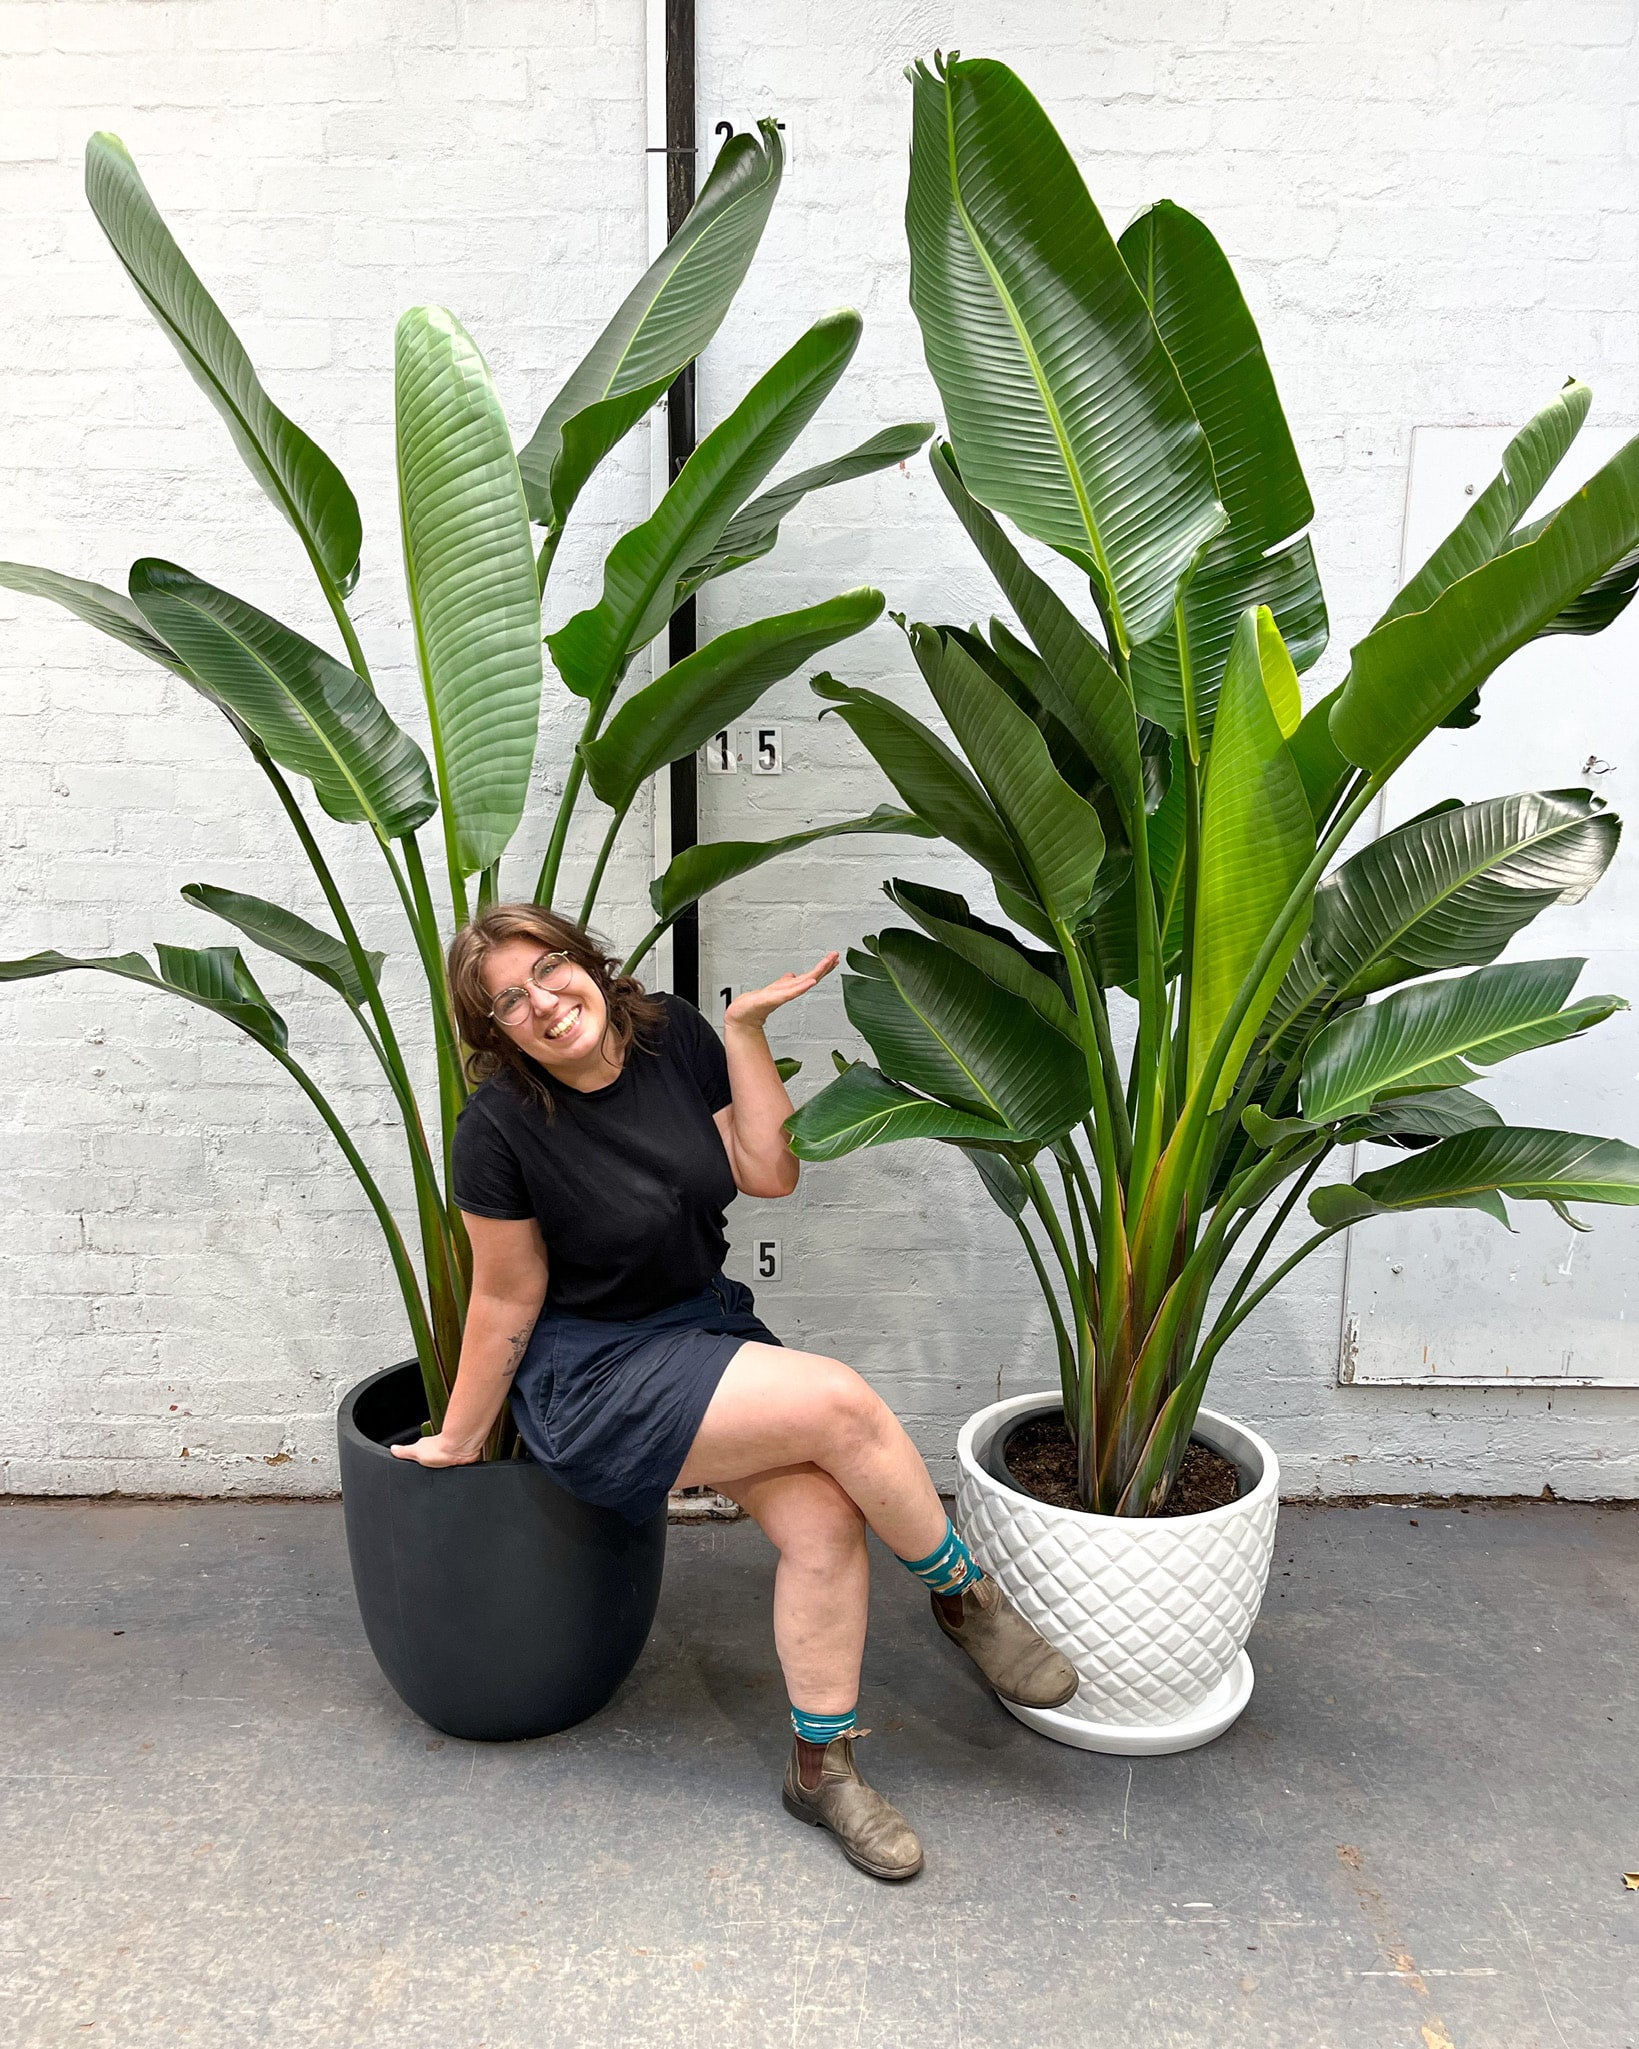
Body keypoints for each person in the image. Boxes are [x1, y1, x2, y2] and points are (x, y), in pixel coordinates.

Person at [392, 903, 1076, 1881]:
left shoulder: (671, 1033)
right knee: (841, 1403)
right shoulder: (497, 1128)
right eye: (509, 1002)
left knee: (827, 1520)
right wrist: (460, 1439)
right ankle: (965, 1599)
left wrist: (747, 1034)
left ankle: (820, 1770)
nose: (543, 1003)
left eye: (548, 970)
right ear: (494, 1033)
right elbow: (506, 1295)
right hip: (592, 1372)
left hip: (697, 1330)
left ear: (585, 961)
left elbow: (768, 1172)